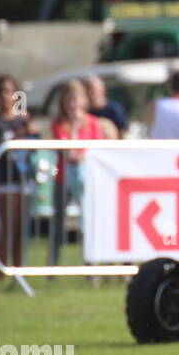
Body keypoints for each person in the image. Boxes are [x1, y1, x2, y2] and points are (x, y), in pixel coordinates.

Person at [0, 74, 38, 277]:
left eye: (10, 91)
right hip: (4, 181)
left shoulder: (23, 120)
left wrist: (32, 132)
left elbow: (34, 147)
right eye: (1, 92)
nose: (6, 96)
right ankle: (2, 270)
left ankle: (19, 269)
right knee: (6, 227)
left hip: (23, 178)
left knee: (20, 228)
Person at [49, 79, 104, 265]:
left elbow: (99, 150)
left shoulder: (93, 123)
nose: (73, 104)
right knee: (58, 224)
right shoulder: (58, 124)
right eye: (68, 99)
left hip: (86, 179)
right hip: (63, 179)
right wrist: (74, 127)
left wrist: (83, 154)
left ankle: (90, 266)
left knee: (87, 224)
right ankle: (52, 267)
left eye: (76, 99)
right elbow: (66, 152)